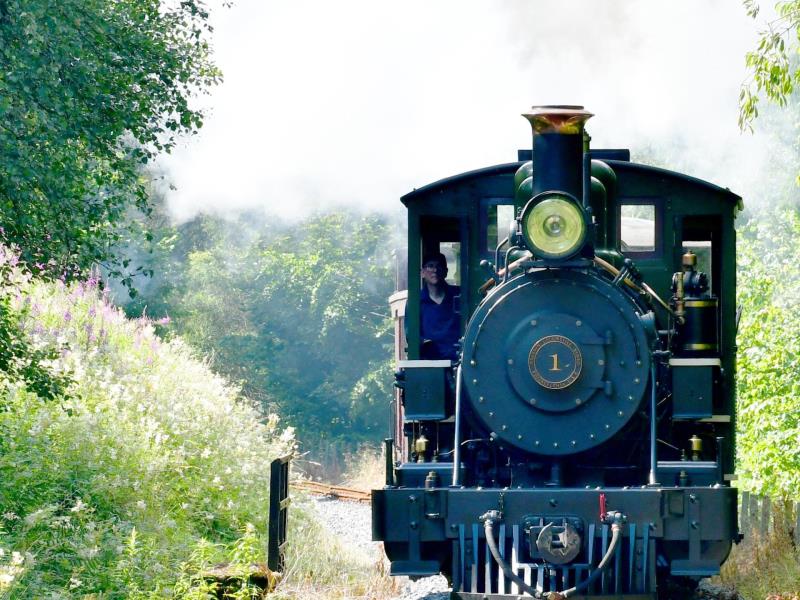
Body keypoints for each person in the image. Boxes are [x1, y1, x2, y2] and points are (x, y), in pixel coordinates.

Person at [420, 252, 460, 360]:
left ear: (446, 272)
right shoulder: (416, 301)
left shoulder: (459, 295)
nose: (435, 270)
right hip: (430, 362)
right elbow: (412, 335)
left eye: (439, 266)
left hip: (459, 358)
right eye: (430, 266)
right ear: (422, 272)